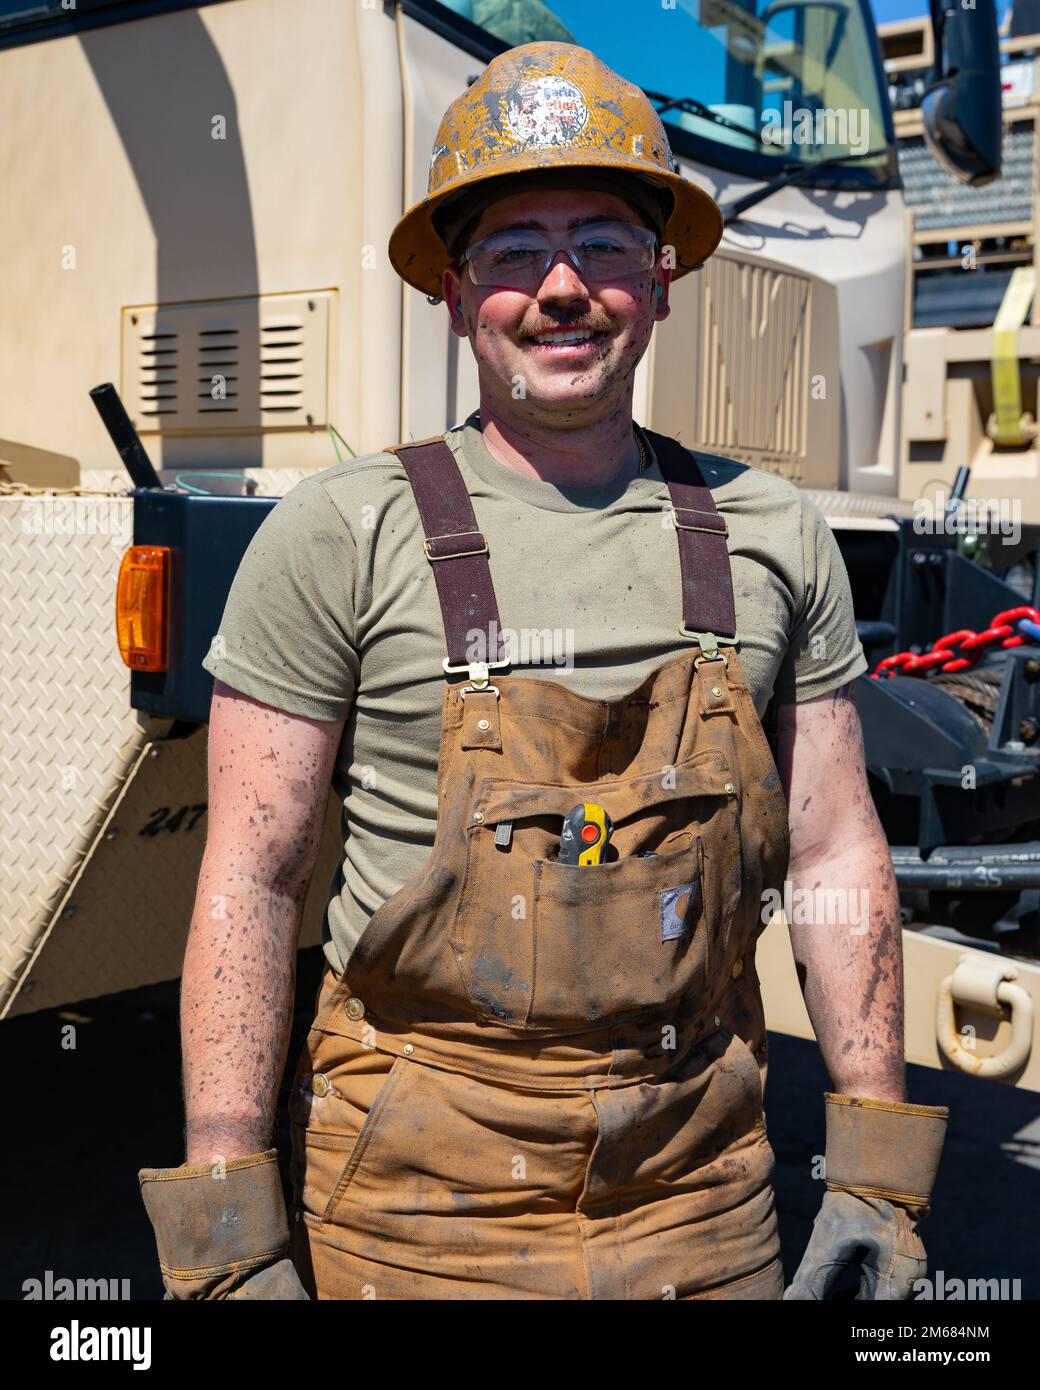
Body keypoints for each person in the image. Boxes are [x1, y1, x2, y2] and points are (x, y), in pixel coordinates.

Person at [138, 41, 948, 1301]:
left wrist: (875, 1175)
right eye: (513, 251)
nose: (560, 288)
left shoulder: (773, 533)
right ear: (453, 294)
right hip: (413, 1206)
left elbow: (835, 848)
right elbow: (252, 875)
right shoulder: (339, 532)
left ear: (660, 283)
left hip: (700, 1197)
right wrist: (226, 1232)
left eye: (603, 245)